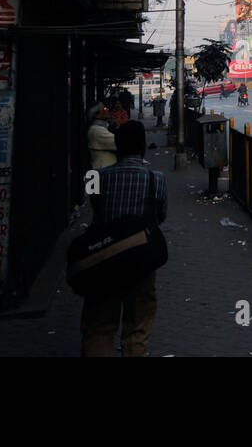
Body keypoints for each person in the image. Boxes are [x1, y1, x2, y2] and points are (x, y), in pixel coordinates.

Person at [80, 121, 168, 357]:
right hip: (141, 260)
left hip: (104, 259)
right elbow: (160, 216)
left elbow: (96, 212)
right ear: (142, 146)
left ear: (116, 146)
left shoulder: (96, 177)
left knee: (99, 327)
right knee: (137, 327)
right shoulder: (156, 179)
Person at [86, 102, 117, 170]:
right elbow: (121, 143)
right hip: (103, 170)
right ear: (97, 115)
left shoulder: (103, 127)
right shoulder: (96, 130)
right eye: (104, 108)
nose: (107, 109)